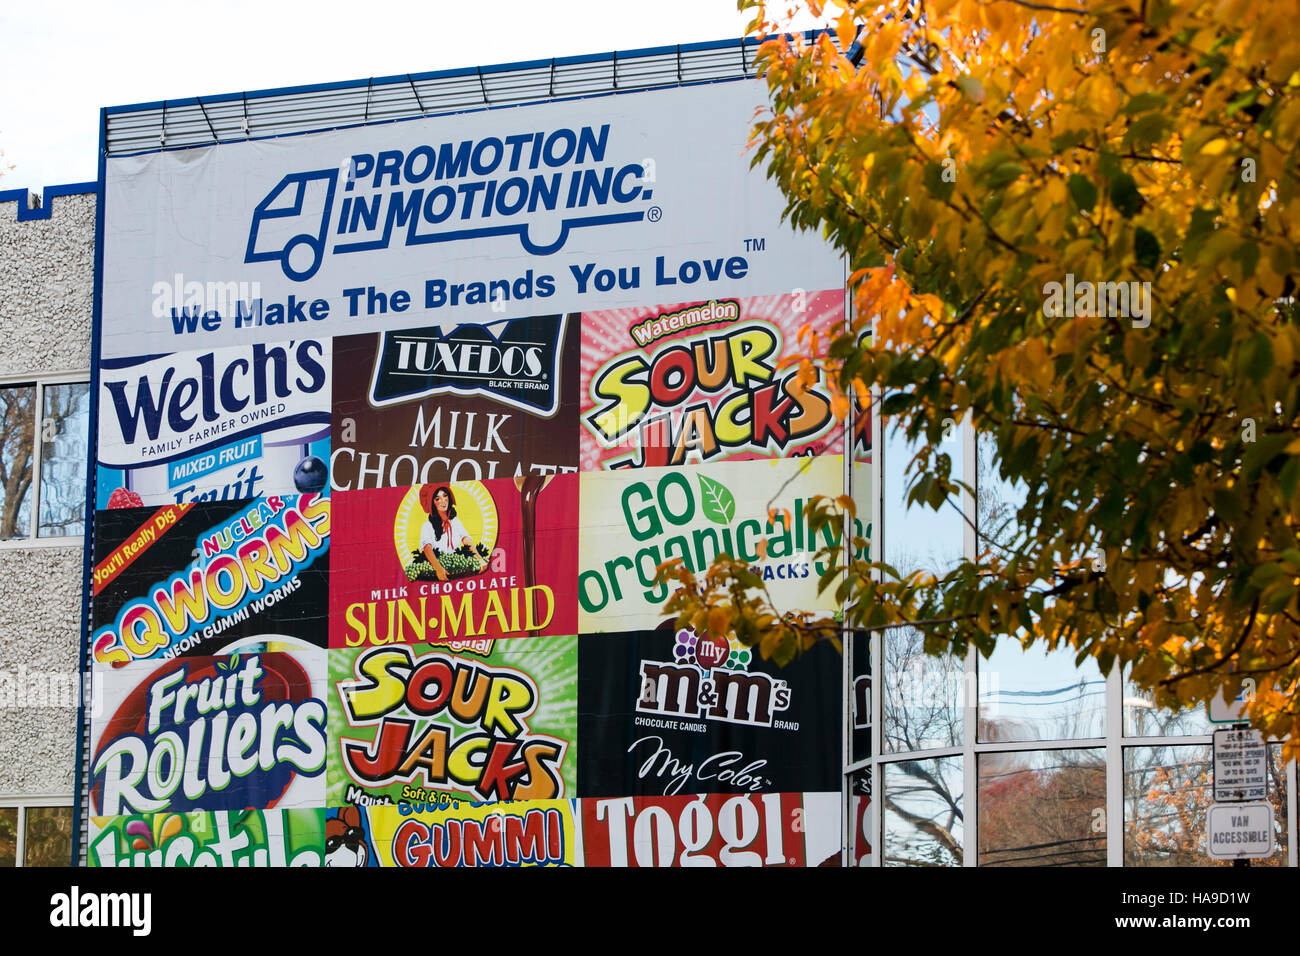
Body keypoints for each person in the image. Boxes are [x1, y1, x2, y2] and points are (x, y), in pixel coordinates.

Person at [418, 484, 484, 581]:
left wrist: (479, 558)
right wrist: (438, 569)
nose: (443, 501)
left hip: (458, 569)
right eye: (437, 499)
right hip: (440, 571)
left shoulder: (455, 521)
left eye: (445, 496)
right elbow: (427, 548)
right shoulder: (427, 526)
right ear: (432, 503)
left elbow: (466, 539)